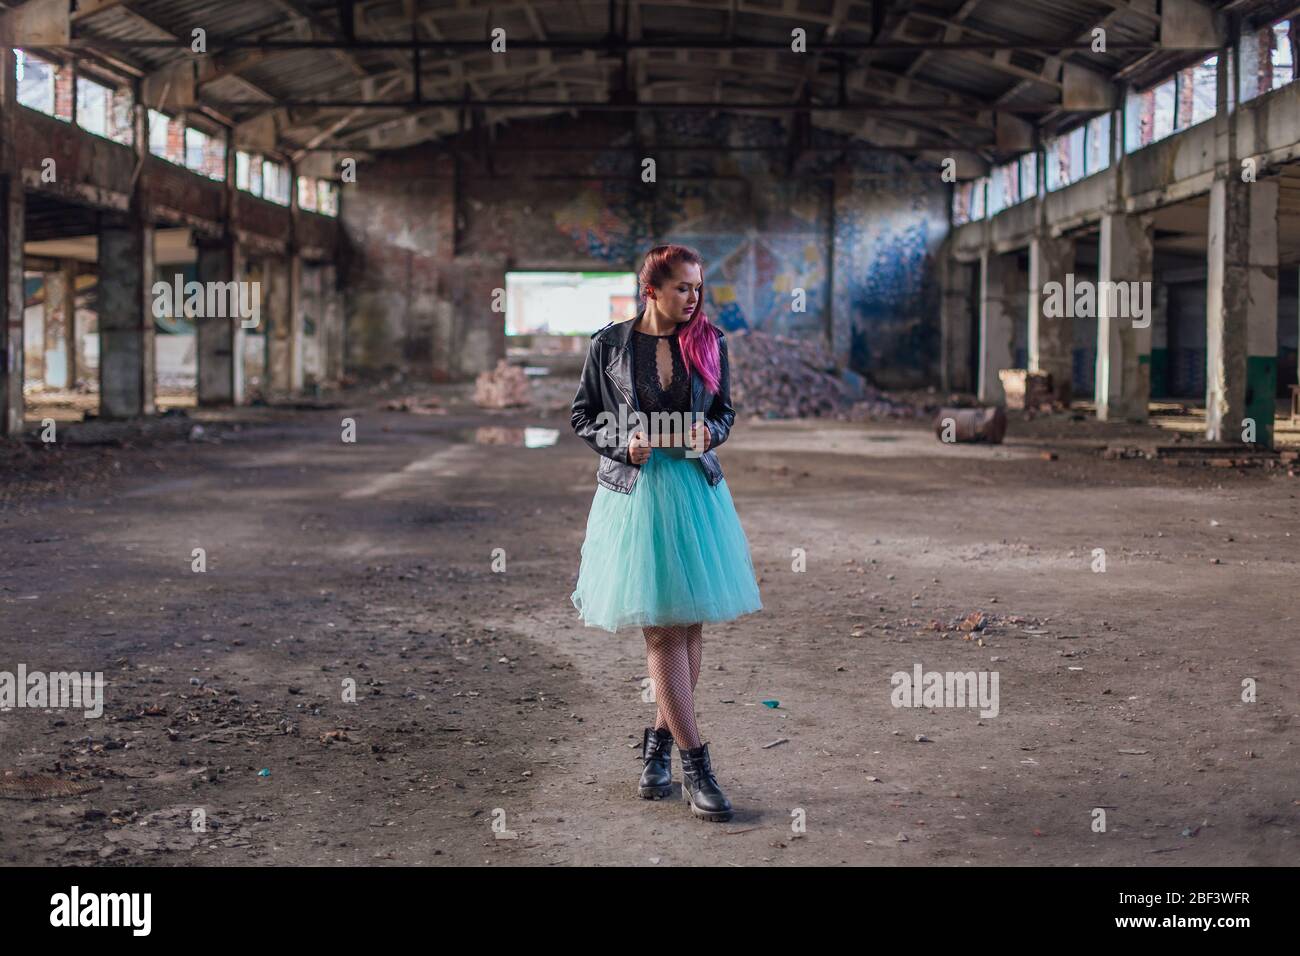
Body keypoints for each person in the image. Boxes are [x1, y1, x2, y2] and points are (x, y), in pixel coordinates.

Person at [569, 243, 763, 821]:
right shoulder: (607, 345)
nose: (694, 298)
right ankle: (696, 764)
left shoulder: (710, 341)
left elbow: (724, 410)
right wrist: (620, 444)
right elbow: (583, 415)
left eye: (699, 288)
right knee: (662, 633)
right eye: (683, 288)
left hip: (695, 493)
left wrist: (711, 435)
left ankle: (656, 748)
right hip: (635, 496)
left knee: (688, 627)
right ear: (650, 290)